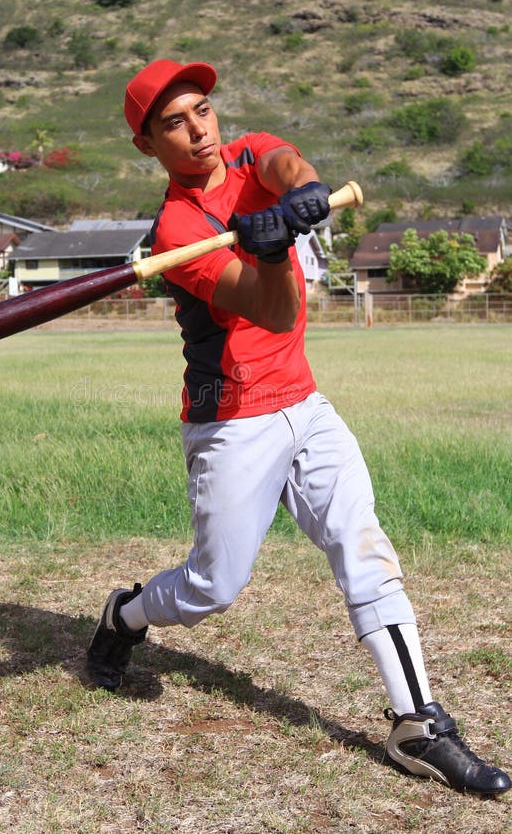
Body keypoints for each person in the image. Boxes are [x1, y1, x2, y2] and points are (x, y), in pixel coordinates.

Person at [87, 59, 510, 796]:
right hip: (232, 421)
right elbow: (275, 311)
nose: (198, 131)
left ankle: (417, 724)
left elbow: (285, 162)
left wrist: (304, 193)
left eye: (203, 110)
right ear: (147, 145)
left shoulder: (249, 153)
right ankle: (125, 615)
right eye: (174, 124)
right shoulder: (176, 232)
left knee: (363, 544)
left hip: (304, 404)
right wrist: (273, 247)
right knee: (212, 588)